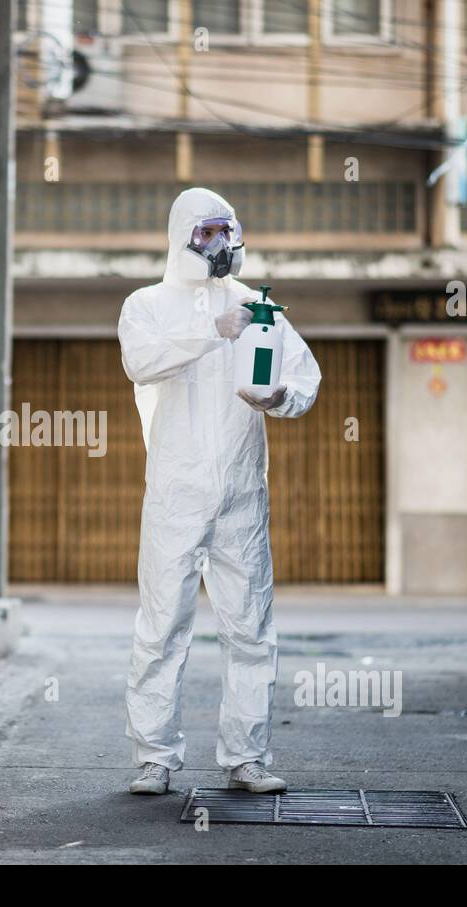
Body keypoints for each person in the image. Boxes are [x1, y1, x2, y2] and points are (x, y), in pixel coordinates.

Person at [117, 187, 321, 796]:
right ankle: (154, 758)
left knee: (251, 626)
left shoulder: (261, 307)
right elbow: (141, 362)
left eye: (228, 231)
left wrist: (280, 398)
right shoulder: (146, 304)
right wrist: (213, 330)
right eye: (208, 232)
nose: (221, 245)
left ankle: (246, 757)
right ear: (183, 234)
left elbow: (302, 377)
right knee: (162, 625)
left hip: (240, 492)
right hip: (176, 491)